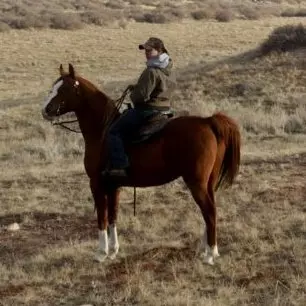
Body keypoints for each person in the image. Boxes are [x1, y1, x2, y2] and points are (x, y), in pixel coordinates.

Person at [104, 37, 176, 178]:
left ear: (159, 50)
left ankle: (119, 166)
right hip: (165, 110)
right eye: (145, 50)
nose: (147, 53)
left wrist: (134, 93)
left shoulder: (151, 71)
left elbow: (140, 97)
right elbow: (160, 88)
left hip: (148, 111)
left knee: (113, 132)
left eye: (150, 50)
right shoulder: (169, 68)